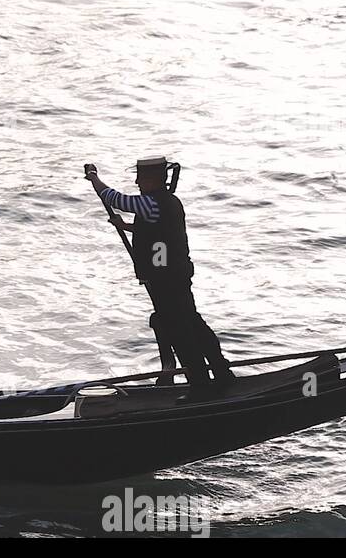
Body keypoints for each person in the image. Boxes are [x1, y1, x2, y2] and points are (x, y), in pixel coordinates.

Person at [83, 157, 235, 402]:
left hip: (167, 281)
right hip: (173, 277)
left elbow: (114, 199)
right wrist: (125, 226)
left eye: (140, 178)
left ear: (153, 179)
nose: (137, 182)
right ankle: (221, 372)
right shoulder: (163, 204)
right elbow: (155, 230)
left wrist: (94, 178)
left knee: (180, 331)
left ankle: (200, 384)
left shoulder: (153, 203)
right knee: (192, 323)